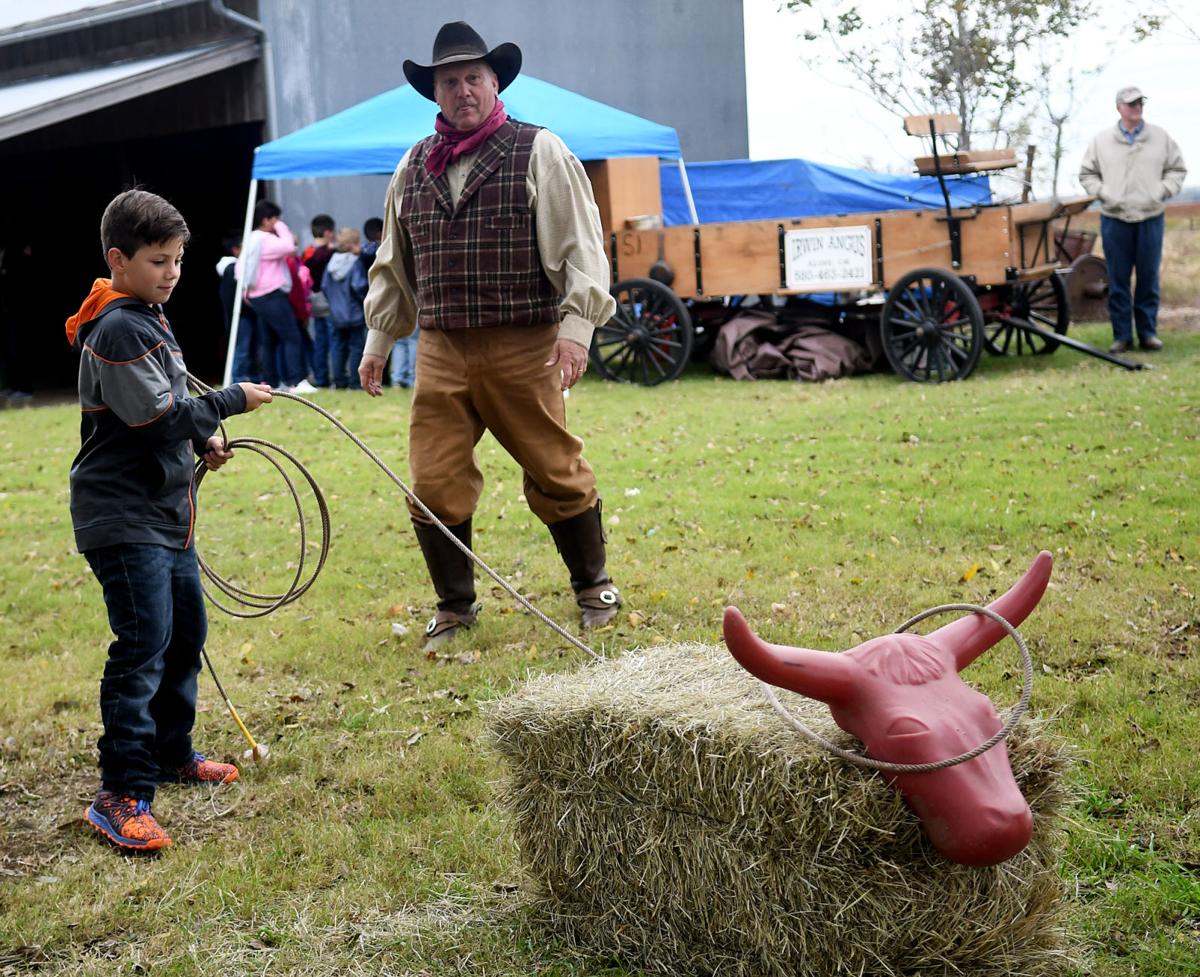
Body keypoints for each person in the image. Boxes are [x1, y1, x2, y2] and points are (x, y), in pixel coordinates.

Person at [359, 21, 621, 648]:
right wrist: (378, 340)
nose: (463, 89)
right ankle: (454, 607)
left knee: (555, 469)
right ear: (435, 93)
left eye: (473, 77)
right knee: (432, 479)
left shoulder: (540, 150)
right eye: (449, 81)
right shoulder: (412, 164)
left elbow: (581, 246)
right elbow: (396, 263)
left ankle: (593, 586)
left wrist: (576, 329)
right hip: (443, 348)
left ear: (494, 81)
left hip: (524, 340)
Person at [64, 188, 273, 851]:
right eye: (158, 260)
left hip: (162, 513)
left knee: (185, 632)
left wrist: (199, 438)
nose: (172, 271)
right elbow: (153, 416)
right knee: (143, 646)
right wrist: (230, 402)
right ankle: (120, 792)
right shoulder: (121, 325)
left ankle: (169, 751)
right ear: (118, 259)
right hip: (123, 518)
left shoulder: (150, 315)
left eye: (179, 259)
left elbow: (165, 410)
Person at [1079, 86, 1187, 353]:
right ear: (1119, 108)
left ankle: (1148, 333)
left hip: (1150, 217)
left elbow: (1177, 169)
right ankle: (1122, 336)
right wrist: (1105, 194)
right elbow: (1087, 174)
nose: (1136, 107)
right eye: (1131, 104)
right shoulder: (1101, 141)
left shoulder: (1160, 137)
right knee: (1118, 280)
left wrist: (1161, 191)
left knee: (1148, 278)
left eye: (1140, 103)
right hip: (1114, 219)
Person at [237, 200, 316, 394]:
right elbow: (289, 247)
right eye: (275, 218)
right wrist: (281, 226)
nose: (278, 222)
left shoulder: (251, 239)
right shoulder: (265, 239)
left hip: (257, 296)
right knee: (292, 336)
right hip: (271, 294)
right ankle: (297, 381)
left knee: (269, 340)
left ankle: (271, 382)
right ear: (266, 220)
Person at [323, 227, 369, 389]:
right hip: (354, 313)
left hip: (336, 314)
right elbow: (359, 286)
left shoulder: (331, 263)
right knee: (356, 348)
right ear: (353, 244)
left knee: (337, 348)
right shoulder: (355, 263)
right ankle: (355, 382)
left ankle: (339, 381)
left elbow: (325, 286)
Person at [216, 231, 260, 383]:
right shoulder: (231, 269)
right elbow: (230, 298)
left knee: (250, 349)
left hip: (244, 315)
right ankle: (238, 378)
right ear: (236, 250)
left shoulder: (236, 268)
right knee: (242, 349)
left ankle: (251, 377)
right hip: (240, 316)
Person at [303, 214, 336, 387]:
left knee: (320, 342)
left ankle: (321, 378)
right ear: (328, 232)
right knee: (335, 340)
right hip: (330, 300)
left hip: (313, 300)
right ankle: (337, 377)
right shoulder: (330, 253)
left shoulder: (307, 252)